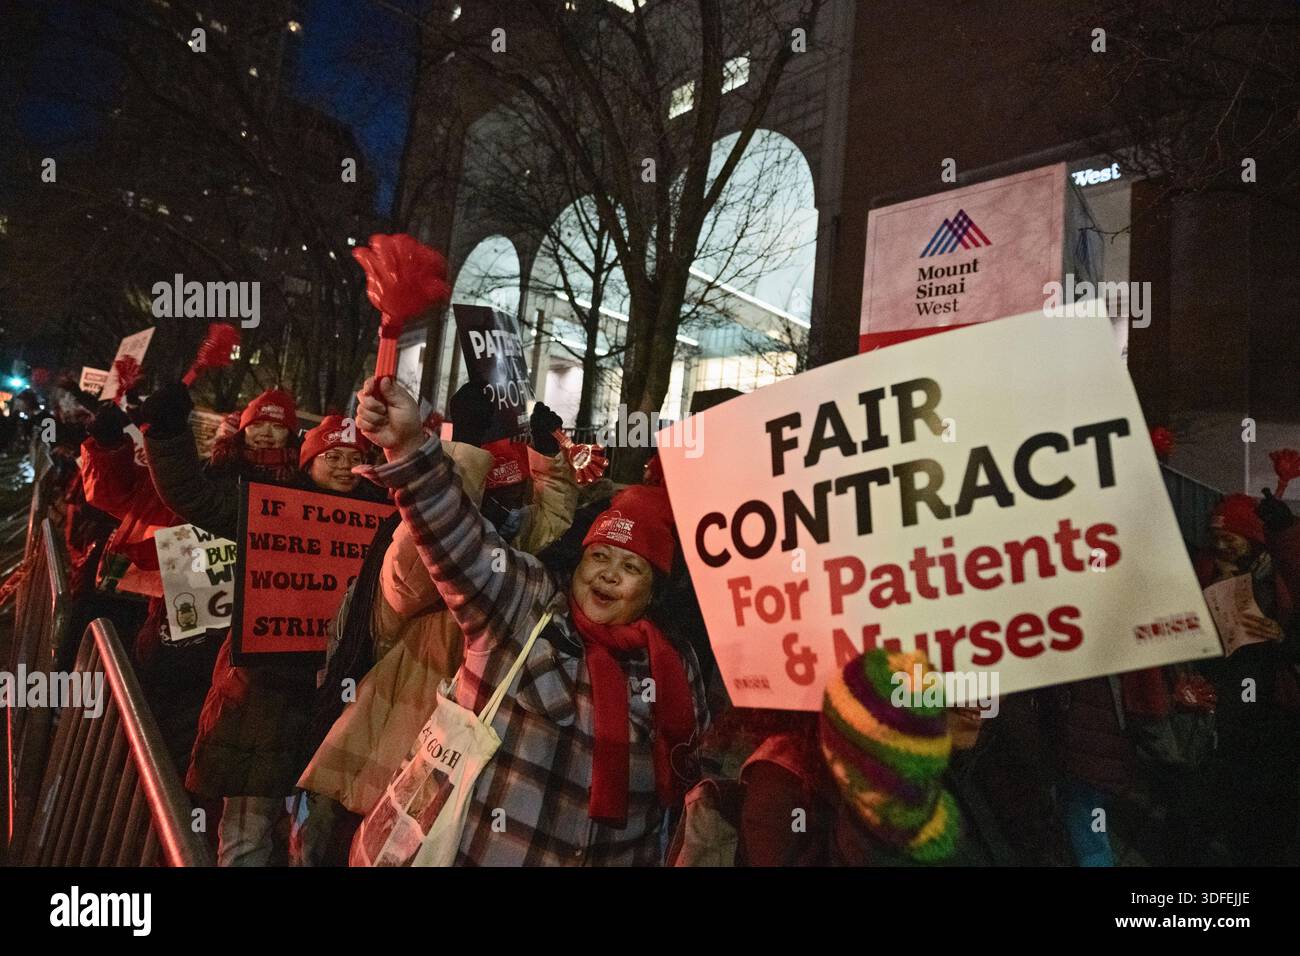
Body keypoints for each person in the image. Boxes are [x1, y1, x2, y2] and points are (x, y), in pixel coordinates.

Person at [353, 376, 708, 865]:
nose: (607, 575)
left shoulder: (674, 665)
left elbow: (682, 791)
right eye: (598, 557)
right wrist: (410, 447)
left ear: (653, 589)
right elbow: (459, 539)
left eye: (630, 568)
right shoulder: (527, 603)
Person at [142, 384, 326, 866]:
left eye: (277, 424)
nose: (266, 433)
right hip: (216, 652)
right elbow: (189, 493)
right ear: (242, 429)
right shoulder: (225, 480)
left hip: (283, 670)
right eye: (257, 423)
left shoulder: (312, 493)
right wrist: (165, 436)